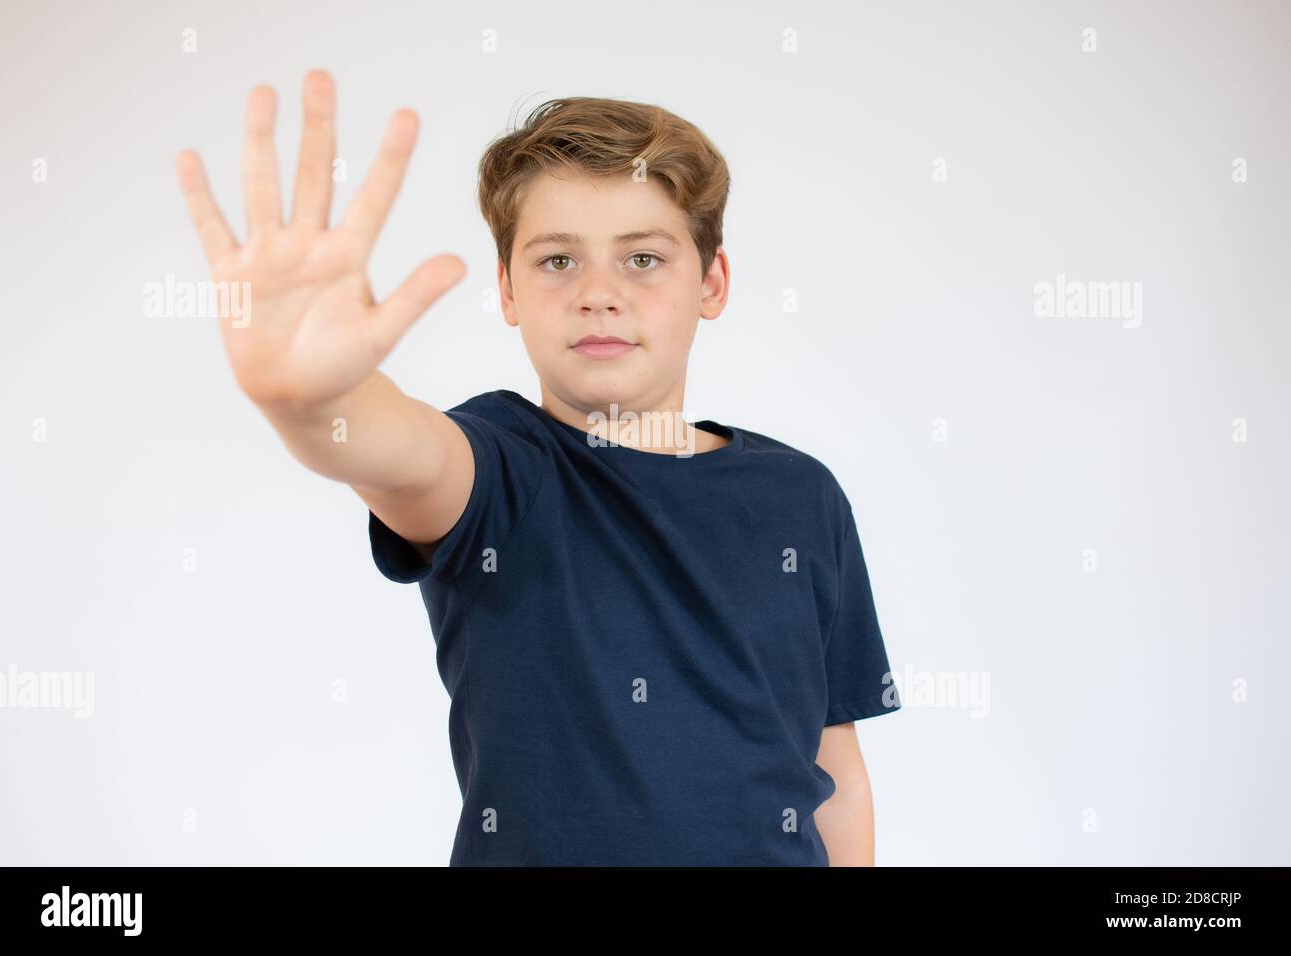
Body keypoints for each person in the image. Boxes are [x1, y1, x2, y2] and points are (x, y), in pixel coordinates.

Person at [176, 69, 902, 866]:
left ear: (712, 283)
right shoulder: (499, 470)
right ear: (508, 289)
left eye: (643, 259)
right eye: (558, 261)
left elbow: (837, 770)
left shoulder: (803, 497)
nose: (598, 293)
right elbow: (400, 455)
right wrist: (314, 398)